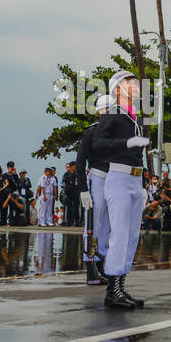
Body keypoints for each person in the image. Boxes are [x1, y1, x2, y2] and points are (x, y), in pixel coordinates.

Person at [97, 71, 150, 309]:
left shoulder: (135, 118)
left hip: (135, 179)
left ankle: (120, 286)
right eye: (128, 82)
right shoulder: (113, 115)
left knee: (131, 236)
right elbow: (98, 144)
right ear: (117, 90)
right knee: (119, 234)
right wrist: (125, 144)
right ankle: (112, 291)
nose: (134, 85)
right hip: (118, 176)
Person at [75, 93, 112, 285]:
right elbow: (80, 163)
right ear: (99, 111)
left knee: (106, 227)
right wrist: (83, 189)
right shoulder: (91, 132)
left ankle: (100, 264)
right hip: (96, 178)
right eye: (105, 110)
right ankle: (90, 269)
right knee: (92, 226)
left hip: (112, 180)